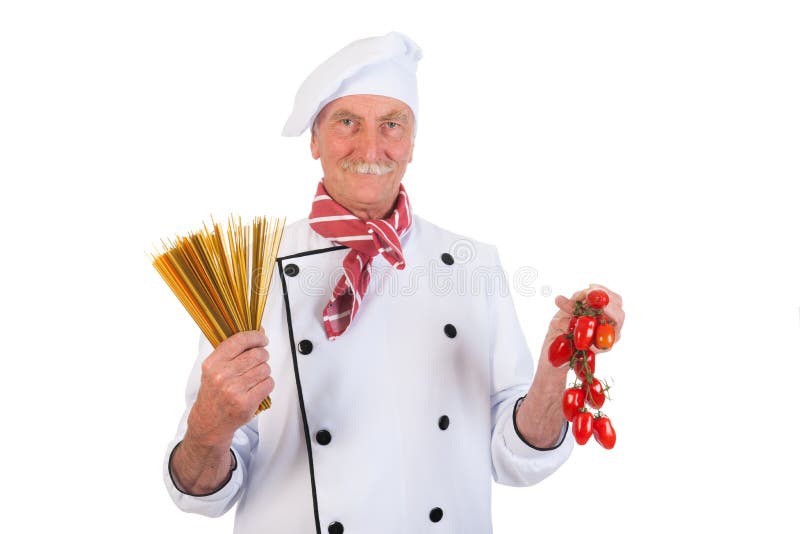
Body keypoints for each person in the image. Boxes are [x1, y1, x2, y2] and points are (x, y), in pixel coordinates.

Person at [163, 32, 625, 534]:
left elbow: (516, 460)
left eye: (391, 124)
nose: (371, 147)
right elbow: (200, 493)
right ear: (314, 141)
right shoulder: (253, 274)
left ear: (411, 143)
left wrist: (555, 371)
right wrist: (208, 428)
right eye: (347, 123)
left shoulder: (472, 266)